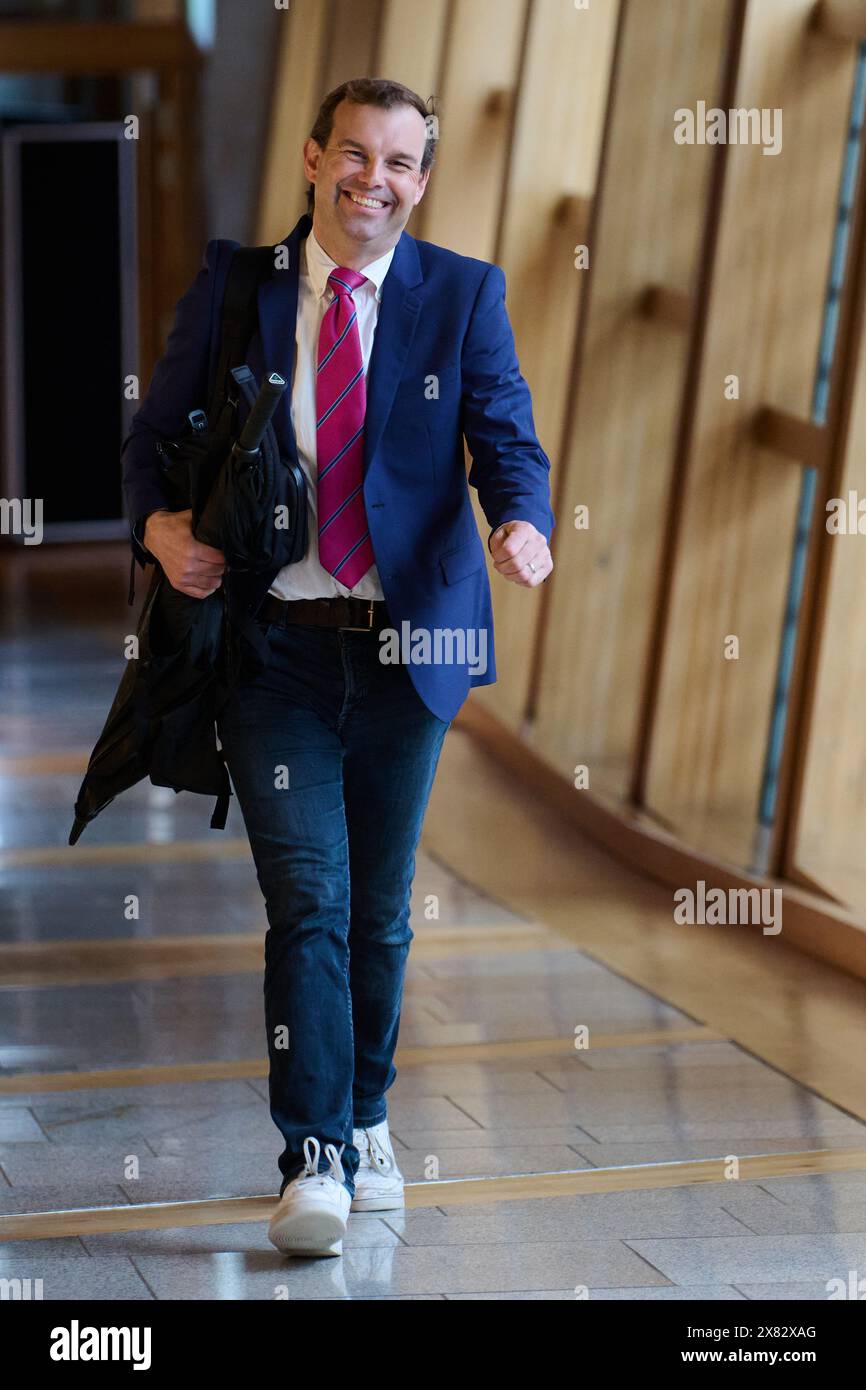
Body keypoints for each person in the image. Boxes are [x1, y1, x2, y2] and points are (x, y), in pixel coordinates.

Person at [122, 77, 555, 1258]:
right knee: (307, 899)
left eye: (401, 163)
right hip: (275, 652)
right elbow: (151, 438)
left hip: (413, 647)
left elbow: (507, 438)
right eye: (353, 156)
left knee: (379, 910)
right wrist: (162, 528)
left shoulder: (461, 294)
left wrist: (524, 523)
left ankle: (367, 1116)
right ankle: (312, 1149)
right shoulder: (239, 286)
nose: (375, 180)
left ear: (423, 177)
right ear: (314, 159)